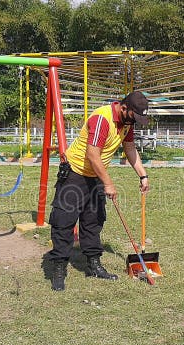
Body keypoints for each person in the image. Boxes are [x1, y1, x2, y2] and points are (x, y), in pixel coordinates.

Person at [46, 91, 151, 291]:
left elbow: (129, 148)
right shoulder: (102, 119)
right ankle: (58, 269)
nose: (135, 121)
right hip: (74, 174)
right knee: (63, 221)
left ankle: (93, 265)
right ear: (124, 107)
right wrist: (108, 183)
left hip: (95, 176)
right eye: (134, 116)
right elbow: (93, 155)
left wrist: (143, 175)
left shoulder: (127, 122)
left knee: (93, 221)